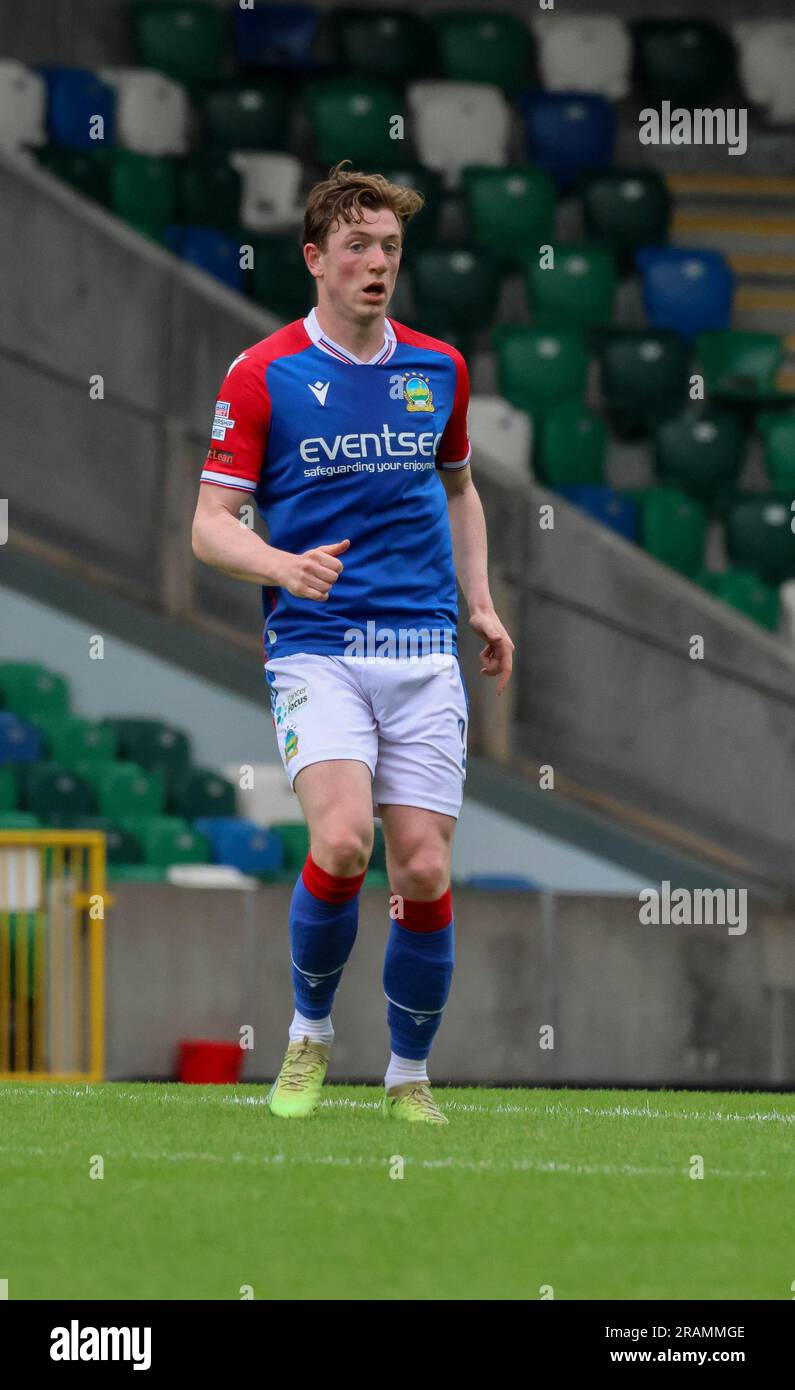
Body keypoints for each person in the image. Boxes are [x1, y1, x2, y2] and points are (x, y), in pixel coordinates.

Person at [191, 162, 514, 1124]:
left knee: (419, 869)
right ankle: (308, 1035)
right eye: (358, 249)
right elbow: (209, 525)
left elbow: (460, 490)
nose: (377, 266)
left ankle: (409, 1076)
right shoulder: (263, 375)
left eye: (390, 250)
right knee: (340, 841)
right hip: (317, 645)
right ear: (315, 259)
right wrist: (281, 566)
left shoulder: (438, 369)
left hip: (422, 646)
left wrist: (483, 604)